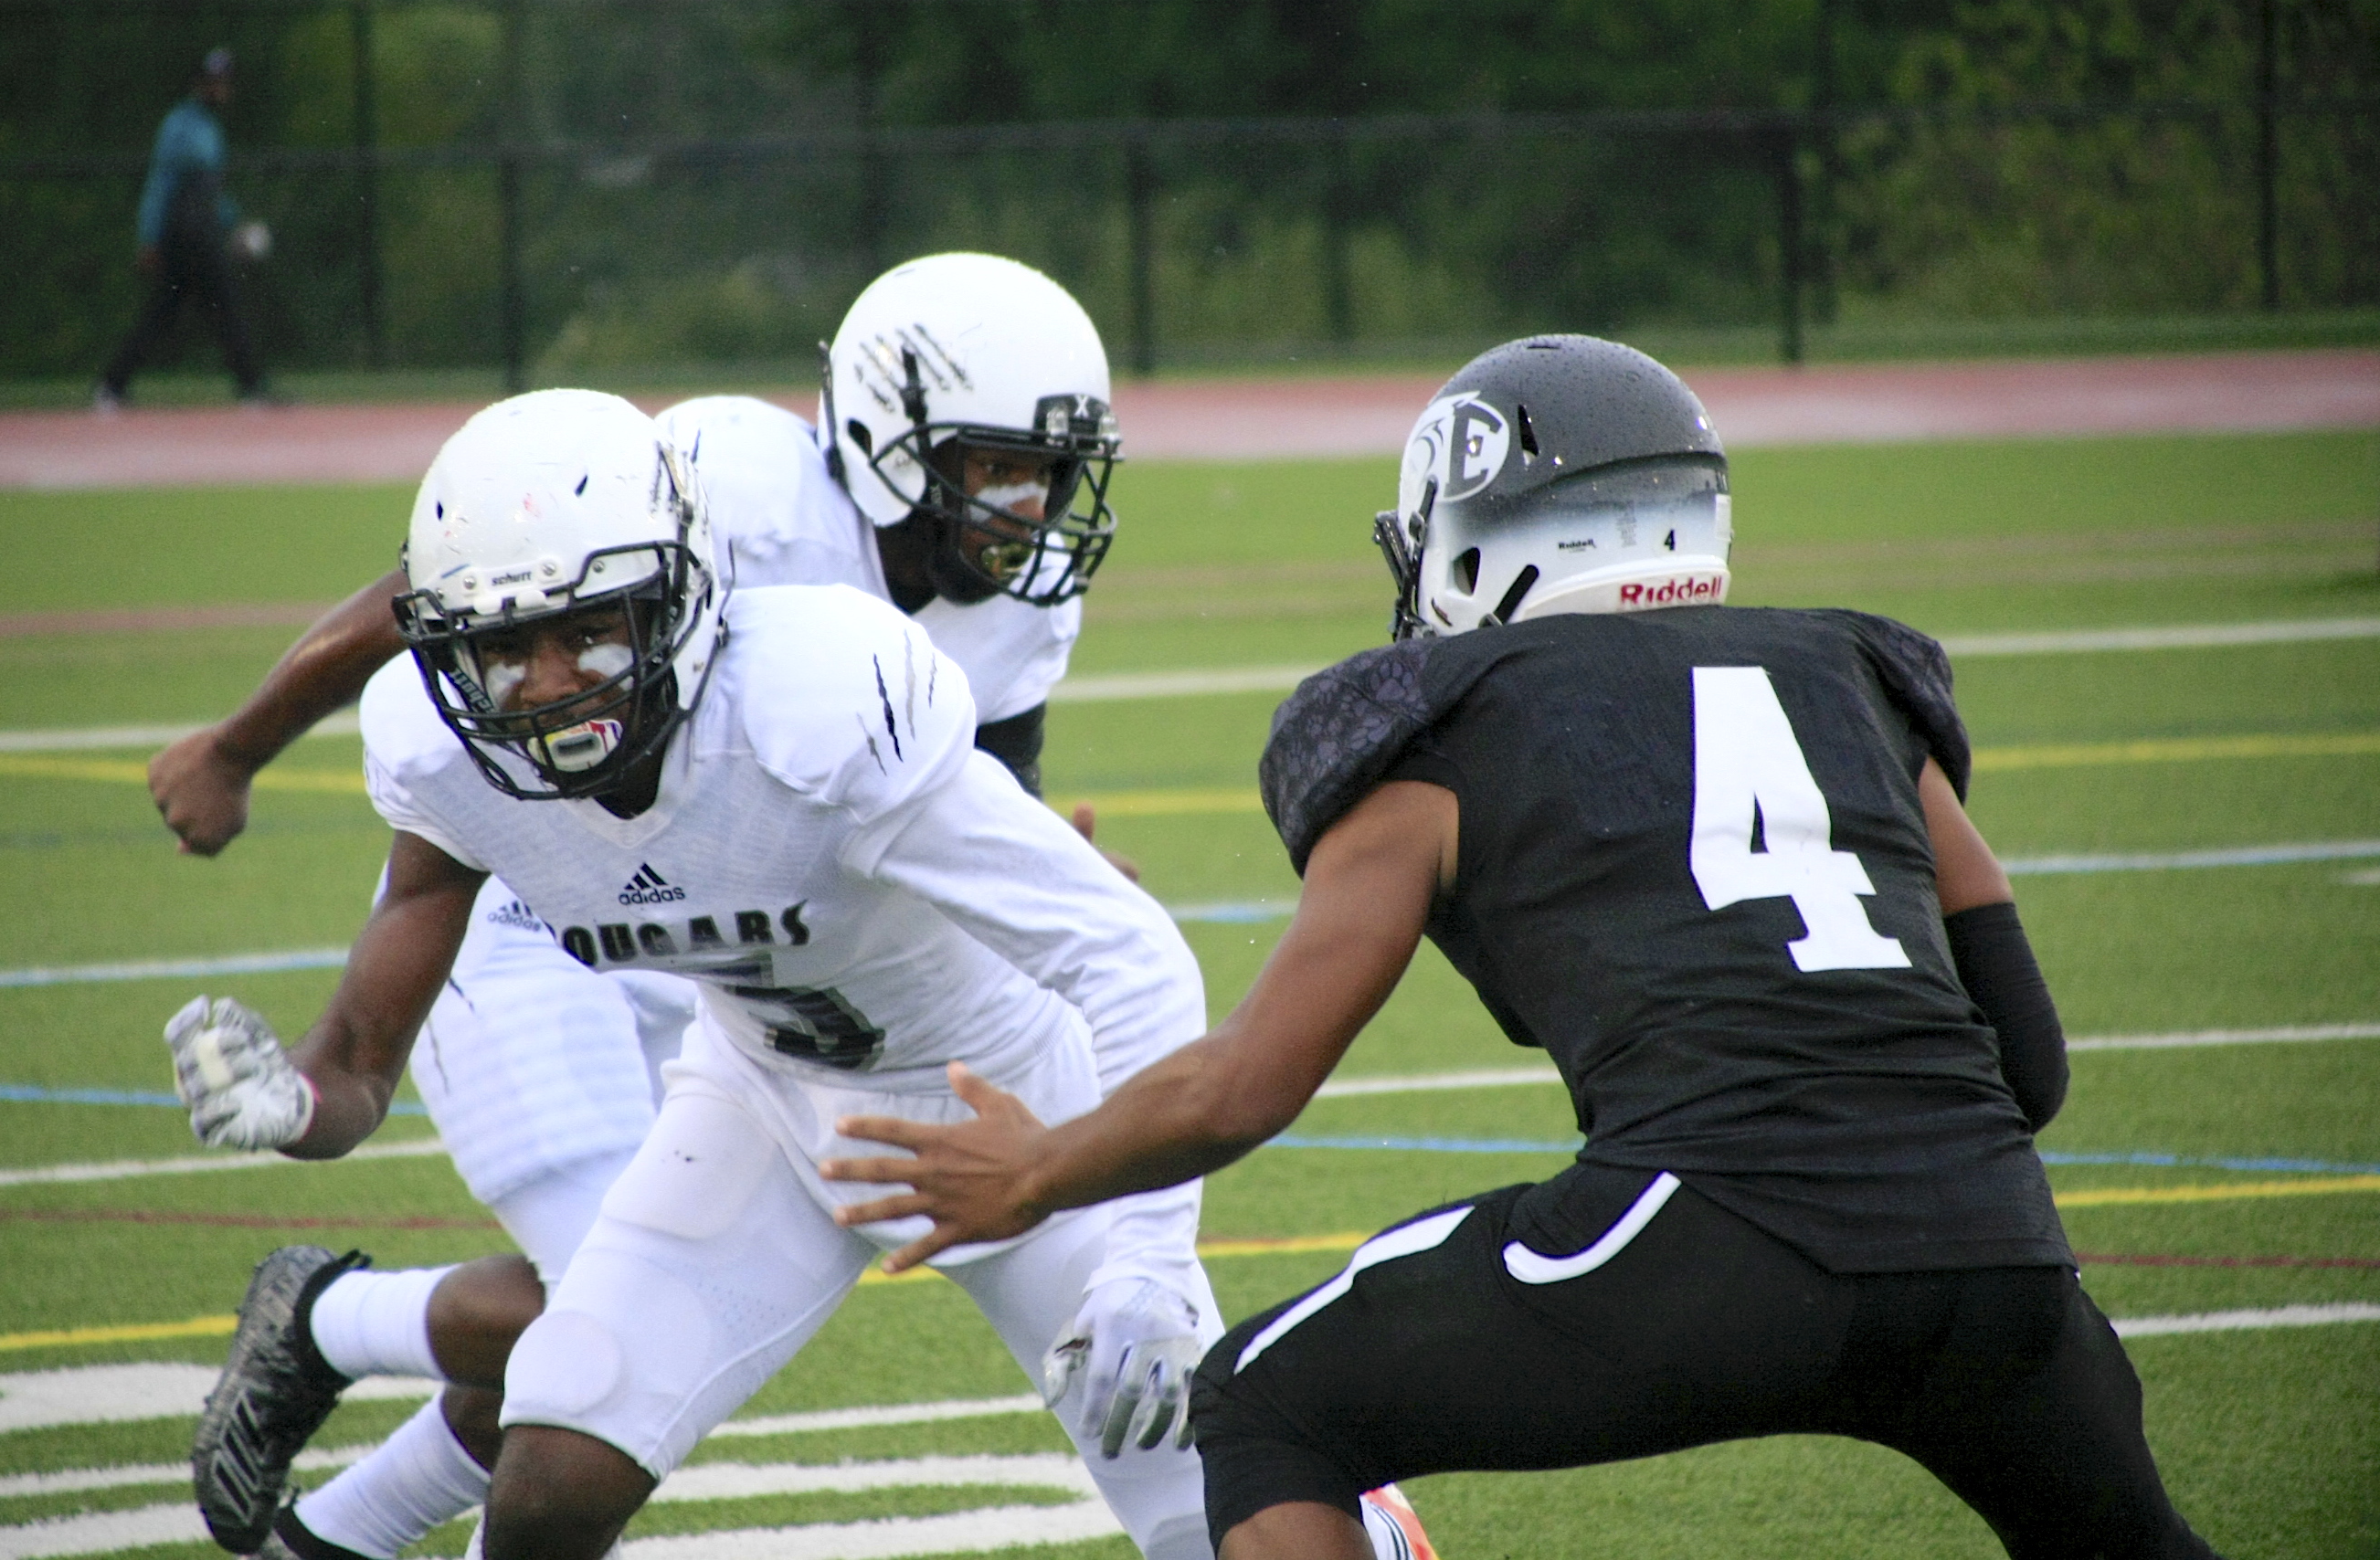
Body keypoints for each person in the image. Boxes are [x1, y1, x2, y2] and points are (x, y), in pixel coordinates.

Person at [818, 335, 2227, 1559]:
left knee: (1259, 1401)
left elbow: (1252, 1079)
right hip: (1997, 1262)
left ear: (1477, 532)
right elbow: (2026, 1066)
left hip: (1702, 1240)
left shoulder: (1440, 724)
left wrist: (1041, 1170)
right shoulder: (1855, 677)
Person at [164, 257, 1429, 1560]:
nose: (548, 687)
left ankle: (1376, 1537)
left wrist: (1149, 1256)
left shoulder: (819, 702)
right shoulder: (446, 755)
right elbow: (358, 1069)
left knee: (1209, 1513)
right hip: (764, 1096)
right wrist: (298, 1109)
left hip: (992, 1098)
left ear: (675, 597)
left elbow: (1121, 952)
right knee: (550, 1468)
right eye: (503, 648)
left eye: (592, 635)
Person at [95, 47, 273, 409]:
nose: (221, 88)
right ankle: (252, 389)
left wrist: (233, 223)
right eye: (214, 82)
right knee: (221, 306)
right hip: (184, 235)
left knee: (167, 311)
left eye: (225, 82)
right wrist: (148, 238)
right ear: (200, 84)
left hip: (203, 232)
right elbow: (161, 183)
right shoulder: (179, 124)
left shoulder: (211, 127)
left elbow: (213, 194)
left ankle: (111, 387)